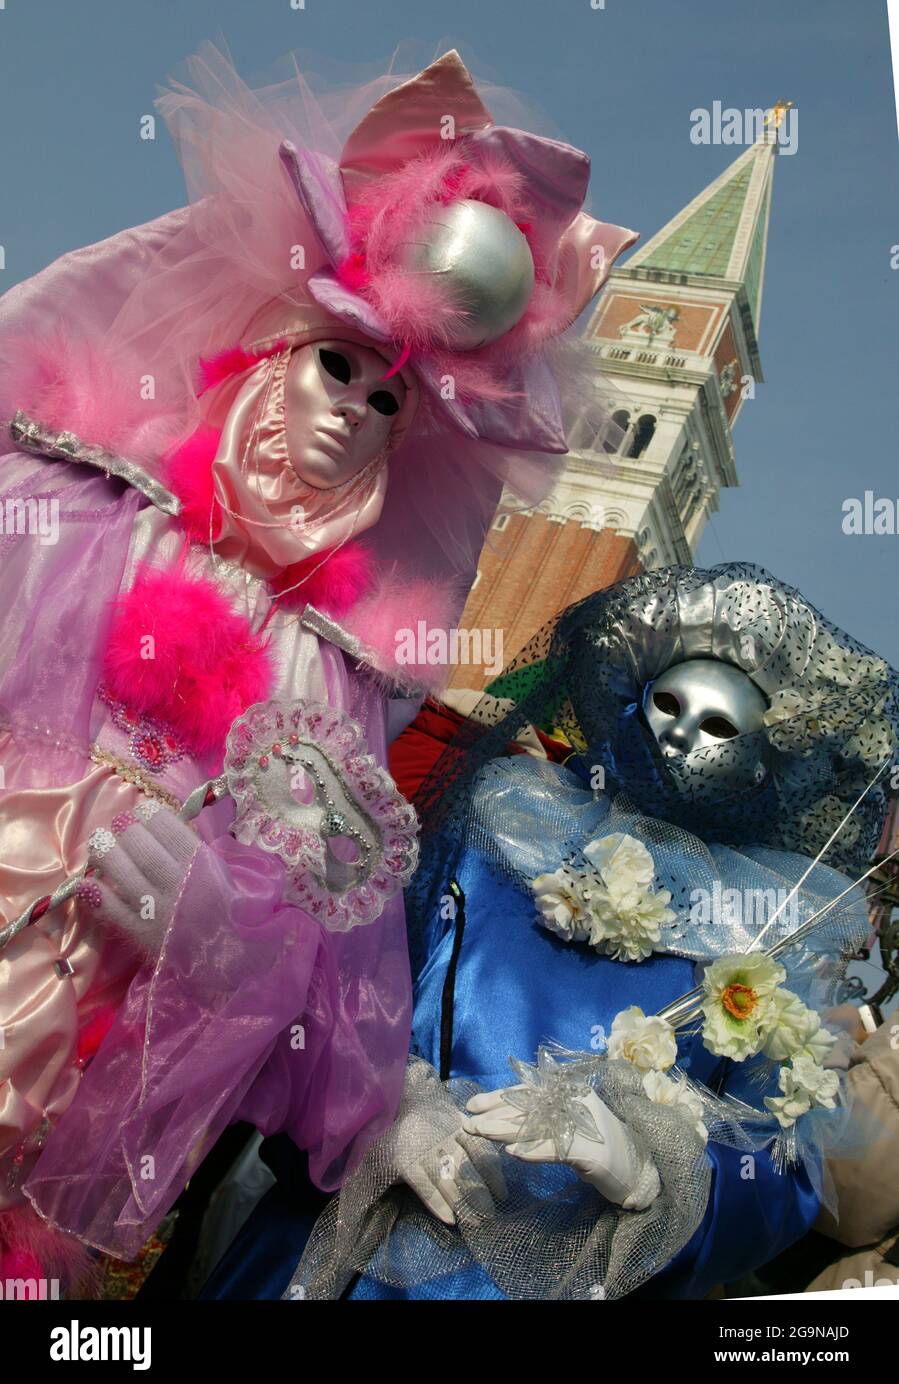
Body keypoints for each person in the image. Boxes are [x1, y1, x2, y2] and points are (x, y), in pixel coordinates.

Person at [0, 44, 635, 1284]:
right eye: (334, 362)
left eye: (391, 398)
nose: (351, 409)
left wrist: (223, 940)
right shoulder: (71, 511)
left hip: (78, 1077)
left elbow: (322, 968)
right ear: (263, 353)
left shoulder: (328, 669)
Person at [235, 562, 894, 1301]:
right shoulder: (500, 821)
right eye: (667, 702)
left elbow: (781, 1167)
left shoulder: (769, 932)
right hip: (343, 1236)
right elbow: (346, 986)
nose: (678, 734)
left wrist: (653, 1179)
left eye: (715, 724)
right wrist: (371, 1118)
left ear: (756, 768)